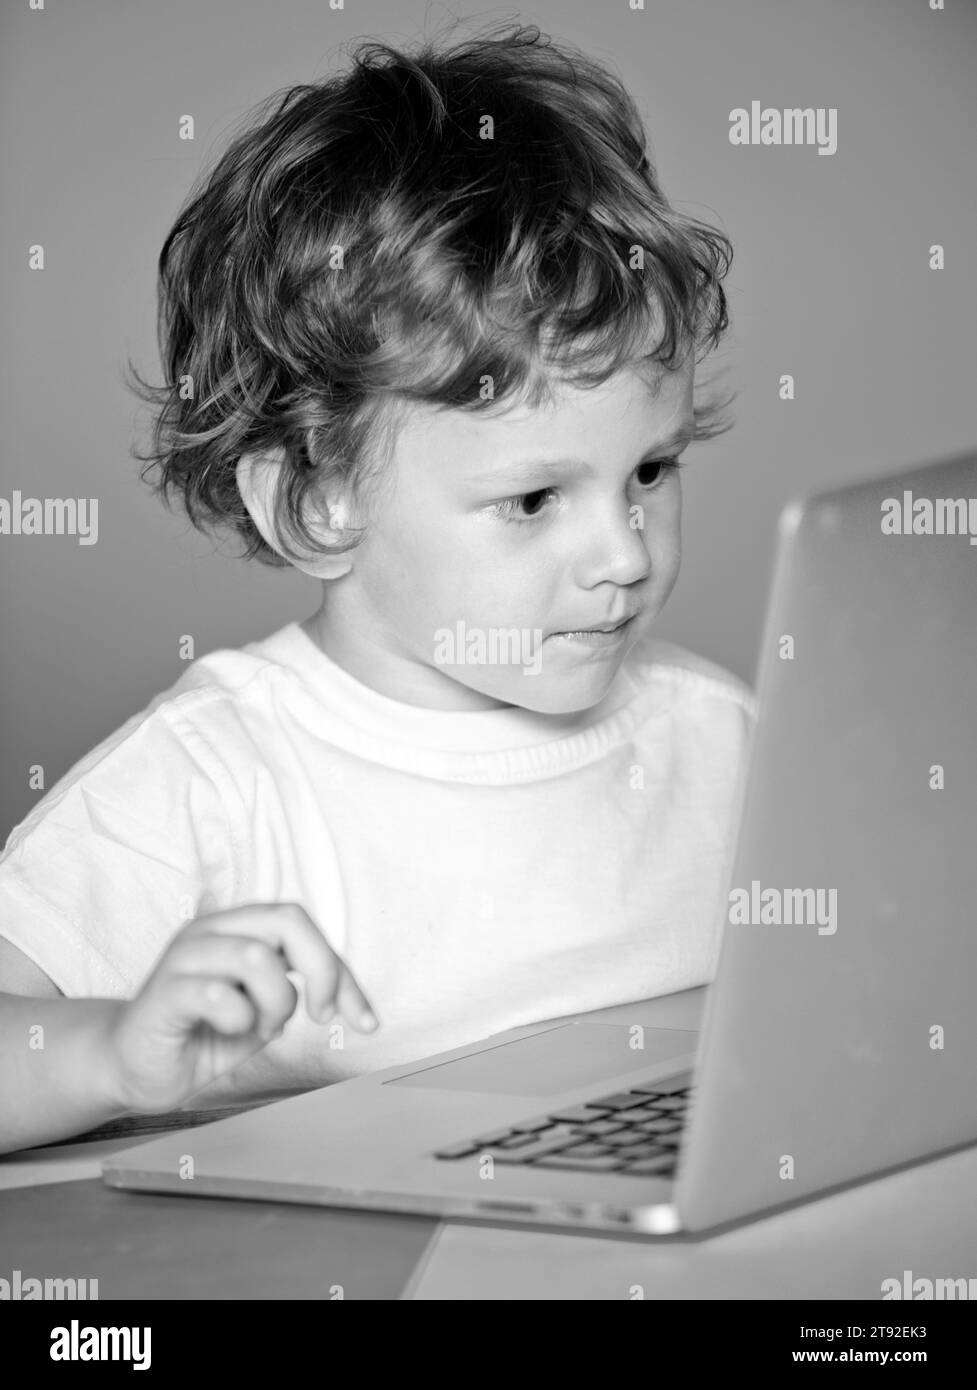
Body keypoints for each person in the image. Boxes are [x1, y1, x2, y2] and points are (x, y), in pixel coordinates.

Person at [0, 22, 755, 1154]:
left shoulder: (722, 738)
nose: (626, 554)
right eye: (534, 500)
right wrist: (109, 1052)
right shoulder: (209, 785)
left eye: (647, 471)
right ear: (317, 505)